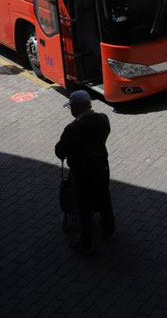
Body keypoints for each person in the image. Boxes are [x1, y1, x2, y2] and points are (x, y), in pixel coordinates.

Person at [55, 90, 115, 254]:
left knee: (83, 207)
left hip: (82, 173)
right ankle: (109, 230)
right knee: (104, 199)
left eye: (71, 107)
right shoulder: (103, 119)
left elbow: (60, 151)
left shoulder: (72, 128)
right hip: (102, 167)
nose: (71, 110)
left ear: (78, 107)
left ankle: (86, 243)